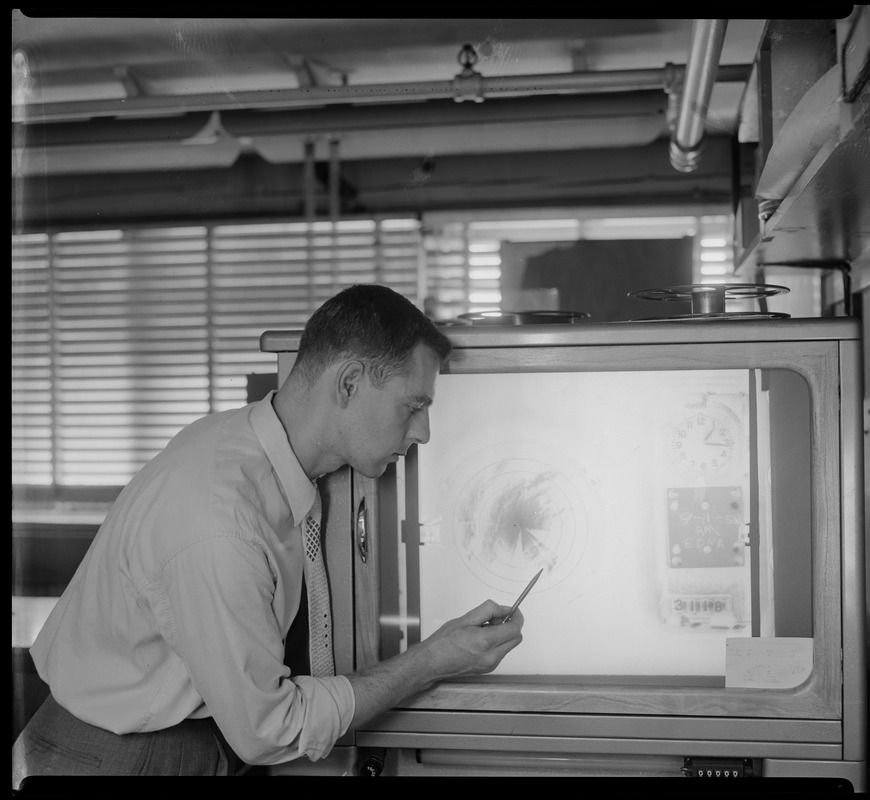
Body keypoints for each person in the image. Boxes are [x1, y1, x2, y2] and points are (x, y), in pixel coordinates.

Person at [12, 284, 524, 783]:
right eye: (413, 406)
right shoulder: (221, 523)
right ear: (348, 384)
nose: (423, 433)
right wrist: (433, 660)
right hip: (116, 760)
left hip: (173, 742)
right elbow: (269, 729)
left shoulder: (243, 446)